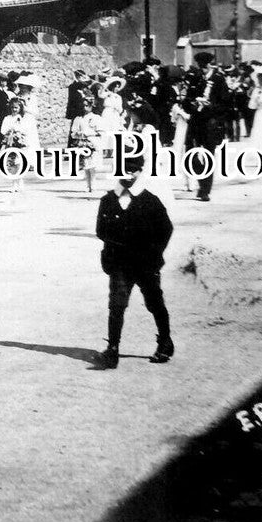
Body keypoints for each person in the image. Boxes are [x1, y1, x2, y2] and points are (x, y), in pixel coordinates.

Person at [95, 155, 175, 370]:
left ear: (140, 171)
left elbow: (166, 229)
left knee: (154, 302)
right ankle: (112, 349)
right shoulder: (108, 200)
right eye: (124, 170)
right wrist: (114, 248)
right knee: (116, 305)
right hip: (120, 265)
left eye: (133, 170)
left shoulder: (150, 201)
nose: (129, 174)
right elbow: (100, 231)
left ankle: (165, 342)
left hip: (146, 264)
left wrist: (154, 254)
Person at [183, 51, 229, 202]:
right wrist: (193, 103)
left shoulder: (218, 80)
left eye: (204, 66)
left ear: (210, 65)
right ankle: (202, 181)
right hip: (195, 122)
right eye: (200, 66)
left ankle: (205, 190)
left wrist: (211, 106)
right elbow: (186, 100)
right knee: (190, 155)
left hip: (211, 123)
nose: (202, 69)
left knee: (209, 156)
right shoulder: (195, 78)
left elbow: (225, 103)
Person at [0, 97, 38, 194]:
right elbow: (3, 130)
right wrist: (10, 130)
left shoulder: (22, 118)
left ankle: (20, 180)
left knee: (19, 162)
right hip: (10, 143)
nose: (14, 109)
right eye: (12, 107)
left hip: (20, 142)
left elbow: (25, 129)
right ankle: (13, 183)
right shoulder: (7, 118)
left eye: (16, 107)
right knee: (11, 163)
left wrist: (18, 131)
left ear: (20, 108)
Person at [69, 96, 104, 194]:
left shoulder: (96, 118)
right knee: (86, 166)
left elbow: (100, 132)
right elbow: (73, 133)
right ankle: (87, 185)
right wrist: (78, 134)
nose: (85, 108)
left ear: (91, 106)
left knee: (92, 166)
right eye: (83, 105)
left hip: (93, 143)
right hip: (82, 143)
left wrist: (90, 134)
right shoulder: (78, 119)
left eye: (87, 105)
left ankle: (93, 184)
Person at [65, 69, 91, 144]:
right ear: (78, 77)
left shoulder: (83, 86)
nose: (83, 79)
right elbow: (85, 83)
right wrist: (87, 79)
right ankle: (72, 145)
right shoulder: (73, 86)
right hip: (76, 111)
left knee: (83, 129)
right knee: (75, 129)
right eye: (81, 77)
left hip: (83, 110)